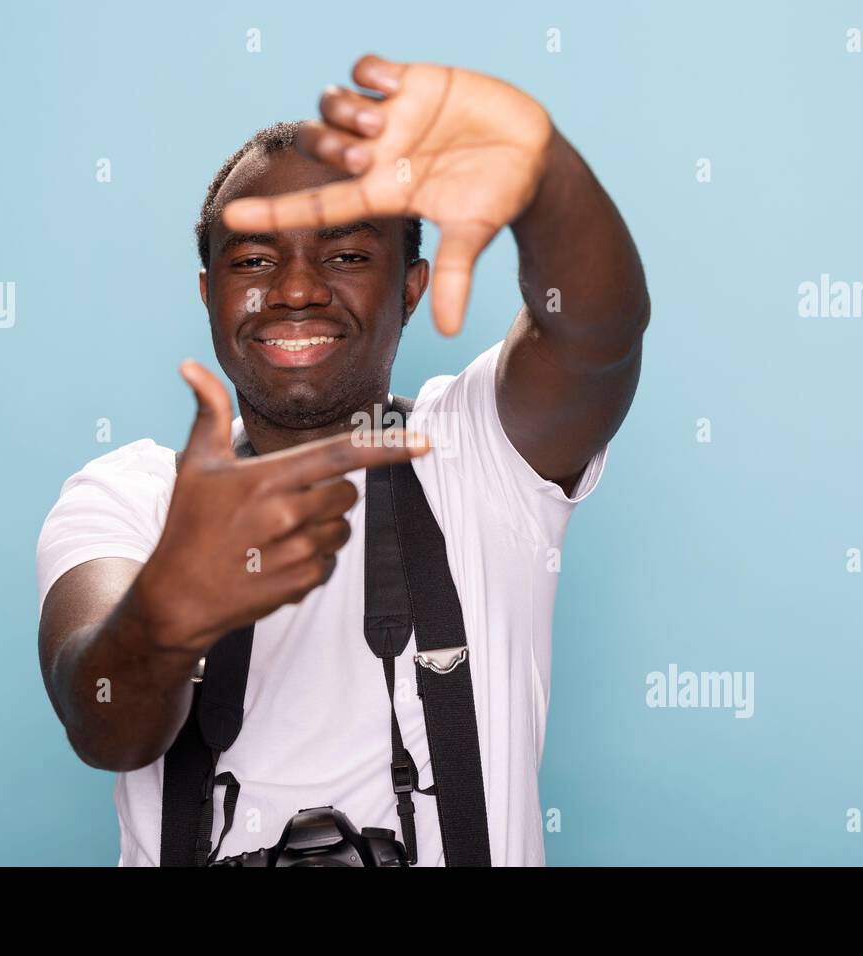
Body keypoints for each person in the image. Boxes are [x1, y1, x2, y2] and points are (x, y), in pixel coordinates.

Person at [35, 54, 650, 866]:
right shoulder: (133, 497)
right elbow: (105, 724)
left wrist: (543, 173)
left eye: (348, 256)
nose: (295, 290)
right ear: (208, 294)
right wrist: (171, 606)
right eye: (253, 260)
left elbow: (595, 339)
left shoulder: (475, 453)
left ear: (411, 287)